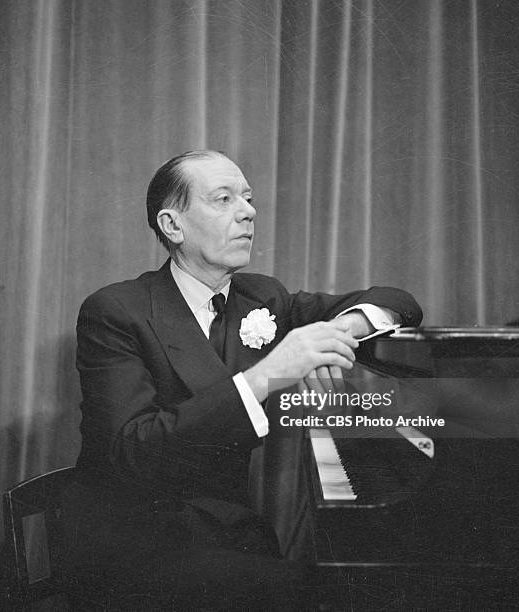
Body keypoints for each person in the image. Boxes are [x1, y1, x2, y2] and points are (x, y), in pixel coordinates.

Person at [61, 150, 422, 610]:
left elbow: (395, 301)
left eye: (248, 200)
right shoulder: (116, 310)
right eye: (224, 199)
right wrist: (268, 373)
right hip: (133, 542)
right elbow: (132, 451)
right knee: (324, 593)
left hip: (227, 532)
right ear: (173, 226)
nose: (248, 212)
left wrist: (337, 332)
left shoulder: (260, 296)